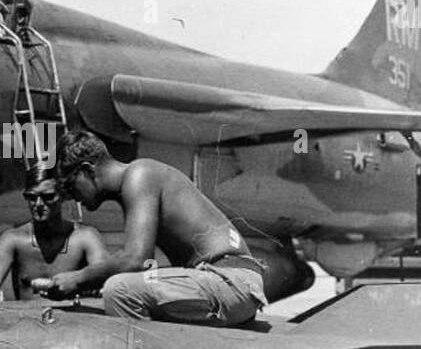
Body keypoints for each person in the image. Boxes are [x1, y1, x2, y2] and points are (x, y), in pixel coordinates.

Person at [47, 131, 267, 325]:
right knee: (127, 287)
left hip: (228, 282)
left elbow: (137, 260)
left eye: (69, 187)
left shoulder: (139, 174)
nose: (72, 198)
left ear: (87, 171)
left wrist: (77, 279)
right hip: (233, 284)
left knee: (119, 290)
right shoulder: (137, 180)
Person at [0, 166, 107, 301]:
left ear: (62, 197)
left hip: (73, 319)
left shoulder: (85, 237)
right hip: (26, 319)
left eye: (48, 197)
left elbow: (102, 271)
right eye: (32, 197)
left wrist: (89, 283)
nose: (39, 204)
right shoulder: (13, 239)